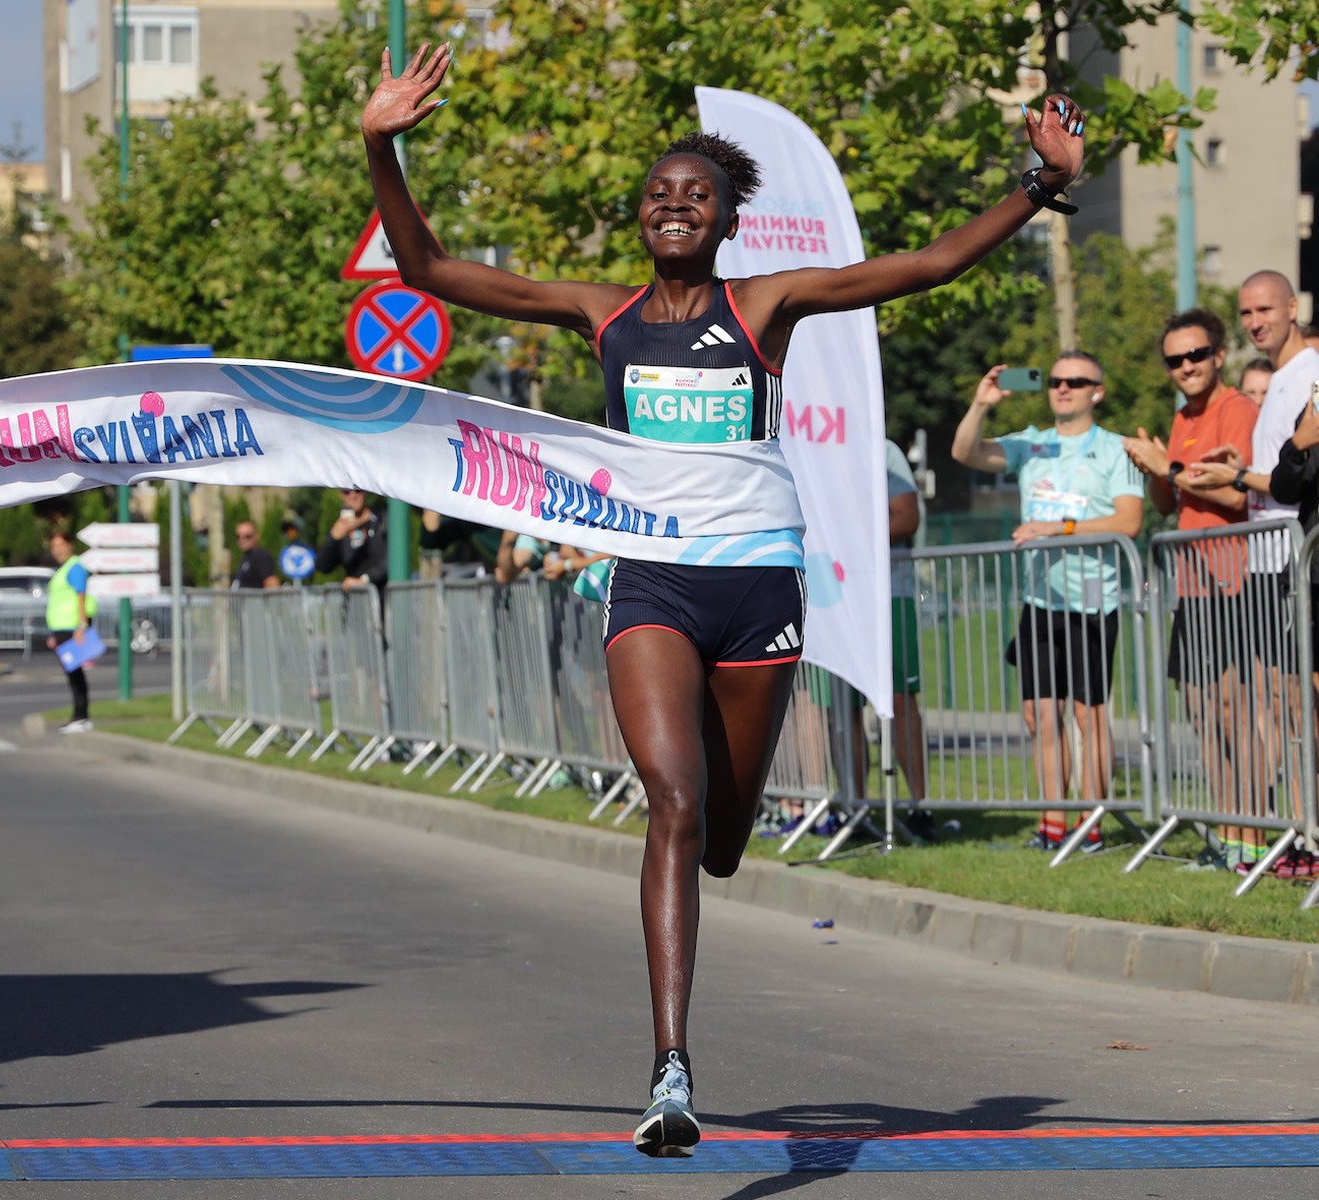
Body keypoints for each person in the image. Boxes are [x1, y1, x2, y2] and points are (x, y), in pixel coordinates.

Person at [363, 42, 1084, 1158]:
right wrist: (381, 143)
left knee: (725, 833)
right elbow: (431, 272)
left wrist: (1037, 188)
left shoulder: (765, 306)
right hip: (650, 578)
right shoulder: (602, 316)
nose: (672, 205)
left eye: (694, 195)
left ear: (724, 219)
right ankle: (669, 1067)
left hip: (758, 590)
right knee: (674, 801)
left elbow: (928, 265)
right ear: (639, 217)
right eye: (657, 193)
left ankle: (715, 843)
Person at [952, 356, 1142, 851]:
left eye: (1075, 382)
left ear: (1097, 392)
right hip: (1040, 600)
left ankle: (1092, 826)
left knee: (1088, 716)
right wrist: (981, 404)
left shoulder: (1115, 449)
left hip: (1093, 600)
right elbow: (965, 452)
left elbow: (1128, 522)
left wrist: (1059, 529)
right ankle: (1052, 826)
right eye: (1056, 380)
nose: (1062, 388)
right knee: (1040, 713)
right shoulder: (1032, 441)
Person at [1186, 273, 1319, 874]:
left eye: (1265, 309)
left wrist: (1235, 479)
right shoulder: (1281, 383)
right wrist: (1243, 468)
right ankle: (1297, 833)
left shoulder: (1308, 374)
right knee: (1278, 702)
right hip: (1267, 560)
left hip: (1296, 558)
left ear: (1293, 308)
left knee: (1296, 704)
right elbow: (1280, 471)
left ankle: (1307, 834)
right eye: (1245, 313)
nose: (1255, 321)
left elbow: (1298, 478)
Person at [1121, 309, 1261, 867]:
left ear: (1219, 356)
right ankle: (1225, 834)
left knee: (1234, 712)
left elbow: (1236, 497)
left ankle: (1251, 834)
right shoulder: (1182, 418)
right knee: (1202, 713)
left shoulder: (1237, 410)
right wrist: (1156, 470)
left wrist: (1170, 465)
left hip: (1235, 578)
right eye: (1175, 360)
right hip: (1192, 583)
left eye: (1196, 355)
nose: (1186, 367)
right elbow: (1167, 502)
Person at [806, 439, 931, 837]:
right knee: (839, 710)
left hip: (885, 596)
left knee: (897, 702)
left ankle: (919, 808)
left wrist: (846, 544)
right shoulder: (806, 448)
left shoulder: (882, 448)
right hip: (832, 600)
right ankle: (854, 808)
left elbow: (907, 517)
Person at [44, 530, 93, 734]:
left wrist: (81, 626)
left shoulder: (74, 567)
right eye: (54, 546)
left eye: (60, 545)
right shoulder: (64, 569)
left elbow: (81, 596)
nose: (57, 550)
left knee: (75, 674)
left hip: (72, 628)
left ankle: (81, 717)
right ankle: (78, 716)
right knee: (72, 674)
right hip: (61, 629)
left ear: (70, 545)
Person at [316, 487, 388, 592]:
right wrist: (332, 538)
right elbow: (323, 567)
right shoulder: (340, 529)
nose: (353, 496)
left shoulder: (382, 519)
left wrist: (365, 579)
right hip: (355, 602)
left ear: (365, 491)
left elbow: (394, 559)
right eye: (346, 492)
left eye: (358, 490)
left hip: (384, 598)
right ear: (340, 495)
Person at [231, 521, 280, 590]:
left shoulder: (260, 555)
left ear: (256, 536)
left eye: (247, 536)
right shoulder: (247, 557)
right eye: (238, 537)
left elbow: (272, 583)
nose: (242, 540)